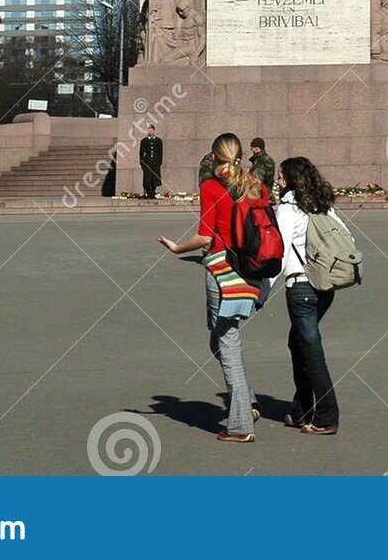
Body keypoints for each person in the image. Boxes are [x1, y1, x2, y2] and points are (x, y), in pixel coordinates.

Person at [158, 133, 271, 443]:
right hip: (252, 270)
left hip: (222, 270)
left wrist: (178, 248)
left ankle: (240, 424)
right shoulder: (254, 183)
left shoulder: (210, 186)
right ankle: (246, 401)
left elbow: (206, 236)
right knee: (221, 338)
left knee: (225, 339)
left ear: (214, 156)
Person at [276, 157, 349, 436]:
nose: (278, 181)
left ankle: (327, 415)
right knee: (298, 342)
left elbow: (280, 252)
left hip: (301, 288)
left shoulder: (288, 207)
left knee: (310, 349)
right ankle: (301, 409)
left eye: (281, 176)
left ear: (291, 179)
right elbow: (346, 238)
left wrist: (261, 293)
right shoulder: (323, 204)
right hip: (325, 287)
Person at [139, 126, 163, 201]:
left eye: (152, 130)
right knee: (147, 178)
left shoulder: (158, 141)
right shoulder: (144, 141)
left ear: (154, 131)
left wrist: (159, 162)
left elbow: (160, 152)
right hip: (147, 162)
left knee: (154, 178)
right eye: (149, 130)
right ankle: (147, 192)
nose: (151, 132)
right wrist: (142, 162)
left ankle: (153, 192)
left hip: (155, 162)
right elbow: (141, 152)